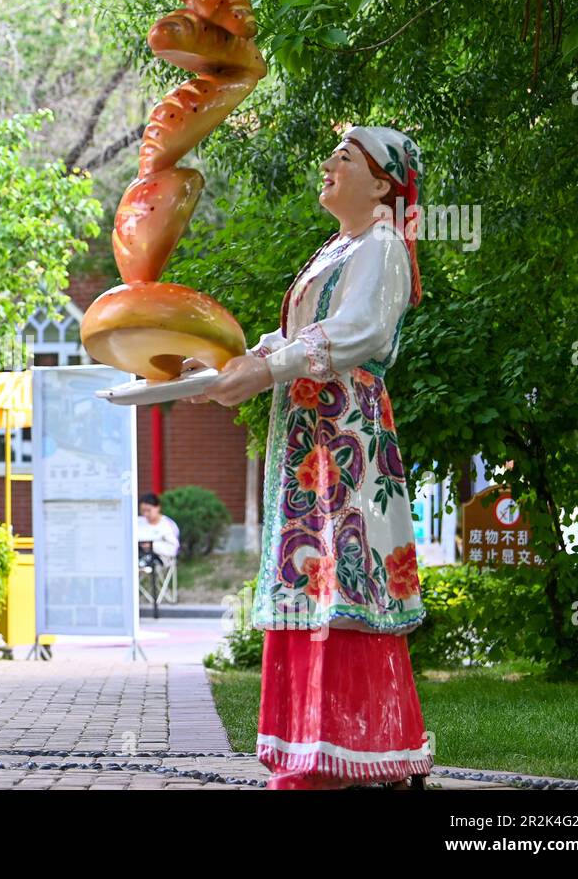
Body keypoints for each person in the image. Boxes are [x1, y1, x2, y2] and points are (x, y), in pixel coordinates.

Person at [191, 125, 432, 789]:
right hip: (312, 437)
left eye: (345, 157)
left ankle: (351, 755)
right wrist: (223, 368)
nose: (327, 164)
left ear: (383, 184)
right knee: (312, 577)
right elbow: (295, 338)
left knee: (342, 575)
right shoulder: (339, 248)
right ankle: (316, 752)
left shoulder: (382, 246)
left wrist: (266, 369)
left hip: (345, 437)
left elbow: (359, 332)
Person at [136, 492, 181, 566]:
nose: (145, 514)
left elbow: (174, 549)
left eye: (148, 510)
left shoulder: (167, 525)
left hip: (160, 559)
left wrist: (152, 546)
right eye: (143, 510)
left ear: (158, 507)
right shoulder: (138, 522)